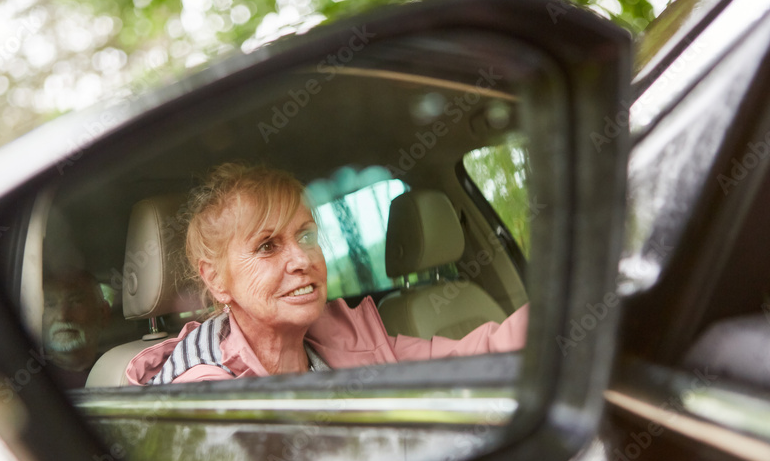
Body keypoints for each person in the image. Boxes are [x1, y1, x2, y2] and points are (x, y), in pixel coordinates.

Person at [126, 163, 527, 386]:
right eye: (268, 246)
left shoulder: (348, 335)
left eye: (306, 235)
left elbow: (469, 358)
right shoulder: (205, 387)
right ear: (216, 280)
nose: (303, 258)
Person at [42, 269, 111, 388]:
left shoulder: (122, 372)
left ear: (103, 313)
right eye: (50, 305)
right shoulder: (29, 377)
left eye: (75, 302)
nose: (62, 316)